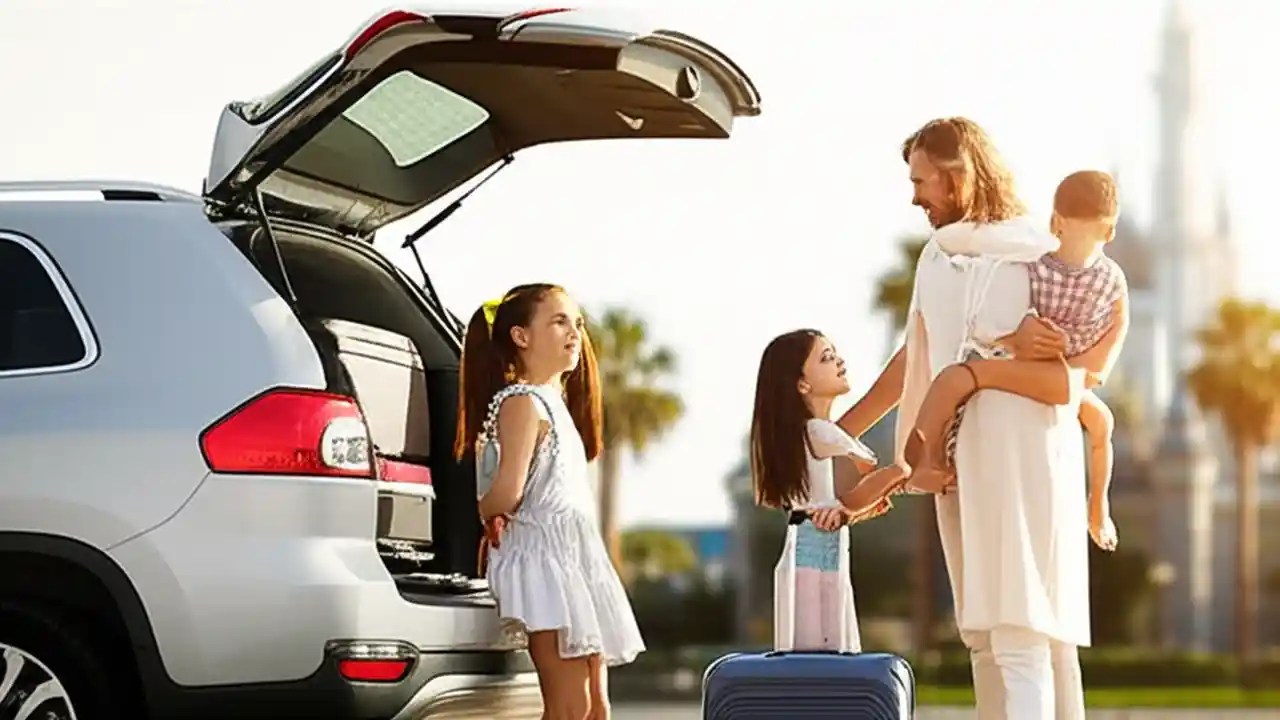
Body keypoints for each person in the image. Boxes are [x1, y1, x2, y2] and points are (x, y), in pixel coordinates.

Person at [837, 118, 1128, 720]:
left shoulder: (1036, 254)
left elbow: (1074, 366)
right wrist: (844, 432)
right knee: (987, 635)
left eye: (923, 180)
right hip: (959, 455)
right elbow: (915, 357)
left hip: (1026, 451)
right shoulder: (939, 258)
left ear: (960, 172)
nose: (915, 195)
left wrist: (1012, 351)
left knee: (1029, 630)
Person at [902, 169, 1129, 552]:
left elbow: (1106, 346)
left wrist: (1064, 359)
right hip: (1032, 369)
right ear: (1110, 231)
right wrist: (1023, 338)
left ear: (1056, 221)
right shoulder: (1033, 264)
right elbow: (1007, 318)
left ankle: (1097, 506)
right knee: (957, 381)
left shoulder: (1107, 280)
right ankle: (926, 458)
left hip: (1062, 377)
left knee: (960, 379)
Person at [454, 283, 644, 720]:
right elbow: (507, 490)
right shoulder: (521, 403)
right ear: (521, 337)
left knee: (596, 708)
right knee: (569, 707)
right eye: (559, 321)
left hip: (575, 560)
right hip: (545, 564)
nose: (574, 331)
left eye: (577, 322)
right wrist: (490, 512)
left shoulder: (553, 405)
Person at [749, 329, 909, 652]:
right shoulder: (819, 432)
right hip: (817, 548)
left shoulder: (807, 436)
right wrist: (894, 475)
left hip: (814, 545)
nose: (839, 361)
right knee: (826, 643)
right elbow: (867, 461)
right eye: (826, 357)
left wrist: (857, 503)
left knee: (806, 645)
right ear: (802, 384)